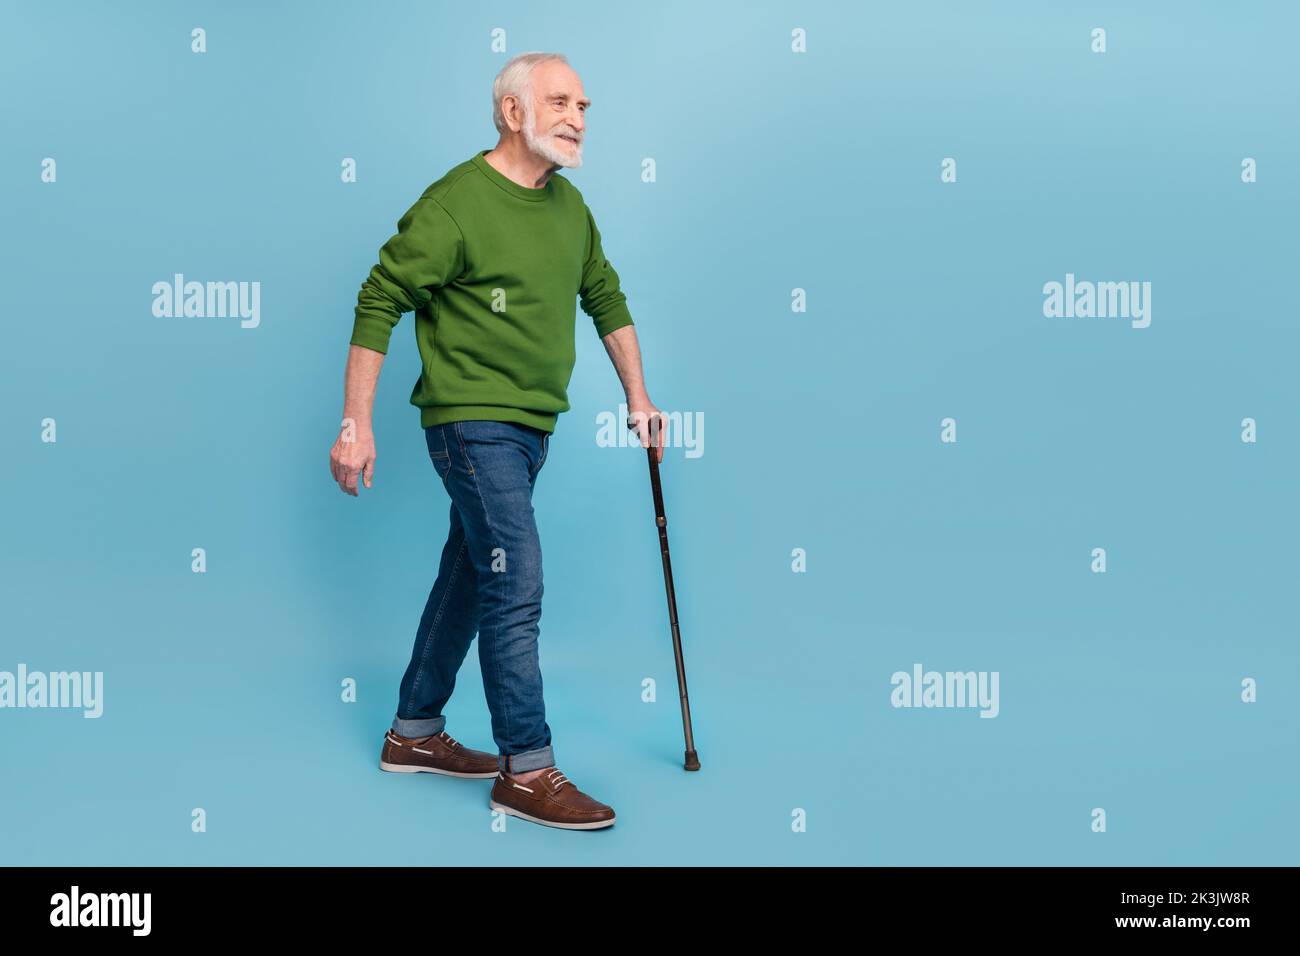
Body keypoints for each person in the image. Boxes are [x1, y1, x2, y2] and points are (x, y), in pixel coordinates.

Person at [328, 51, 664, 831]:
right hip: (470, 425)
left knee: (475, 574)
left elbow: (605, 296)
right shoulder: (455, 204)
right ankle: (528, 768)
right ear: (513, 113)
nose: (577, 117)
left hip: (530, 428)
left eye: (584, 104)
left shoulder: (571, 207)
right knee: (518, 581)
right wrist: (356, 424)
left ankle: (413, 733)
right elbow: (379, 297)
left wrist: (639, 398)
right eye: (559, 102)